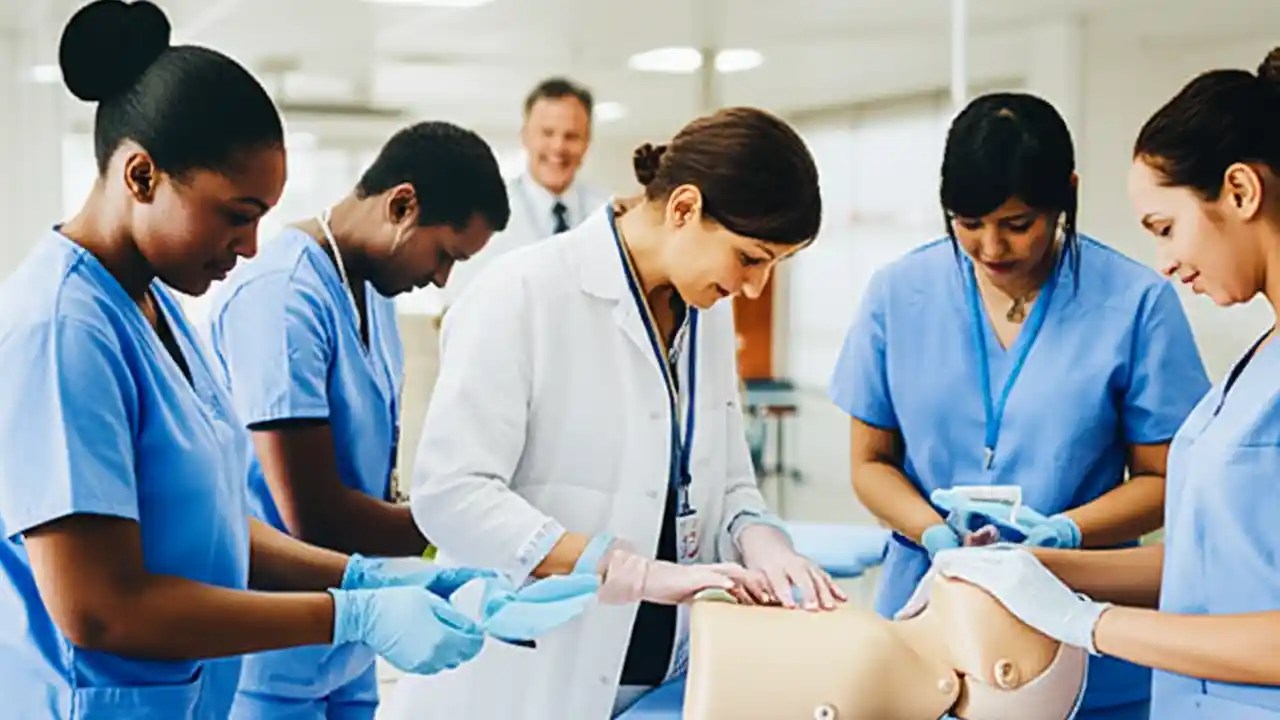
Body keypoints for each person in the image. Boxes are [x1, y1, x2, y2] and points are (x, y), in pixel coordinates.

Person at [0, 2, 516, 717]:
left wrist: (370, 582)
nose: (249, 247)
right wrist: (348, 616)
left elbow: (215, 522)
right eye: (236, 214)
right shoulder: (62, 325)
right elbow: (100, 606)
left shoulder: (157, 310)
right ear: (142, 176)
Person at [383, 107, 844, 720]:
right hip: (527, 680)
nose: (756, 287)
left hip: (659, 676)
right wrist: (629, 571)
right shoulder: (520, 294)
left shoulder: (707, 310)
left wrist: (764, 544)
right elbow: (451, 495)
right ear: (684, 209)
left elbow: (728, 481)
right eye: (751, 258)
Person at [920, 47, 1280, 720]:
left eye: (1165, 228)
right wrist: (1032, 569)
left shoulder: (1145, 310)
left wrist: (1090, 623)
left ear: (1240, 191)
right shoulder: (1259, 360)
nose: (1166, 263)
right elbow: (1205, 567)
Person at [827, 91, 1210, 719]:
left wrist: (1066, 534)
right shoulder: (898, 294)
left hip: (1081, 628)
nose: (991, 248)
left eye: (1017, 223)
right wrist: (930, 530)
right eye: (968, 223)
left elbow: (1165, 479)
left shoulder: (1136, 304)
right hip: (929, 625)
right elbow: (870, 462)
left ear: (1065, 195)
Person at [203, 121, 509, 719]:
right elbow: (312, 513)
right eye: (444, 253)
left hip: (347, 649)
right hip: (271, 655)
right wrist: (466, 525)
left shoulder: (372, 292)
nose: (443, 278)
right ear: (402, 204)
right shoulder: (284, 295)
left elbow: (368, 474)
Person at [684, 574, 1087, 720]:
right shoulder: (875, 643)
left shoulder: (874, 655)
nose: (1003, 580)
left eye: (1017, 602)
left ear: (1004, 670)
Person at [442, 76, 608, 305]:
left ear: (587, 141)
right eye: (547, 133)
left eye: (571, 136)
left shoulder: (608, 216)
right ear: (525, 136)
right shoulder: (483, 212)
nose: (558, 147)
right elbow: (460, 300)